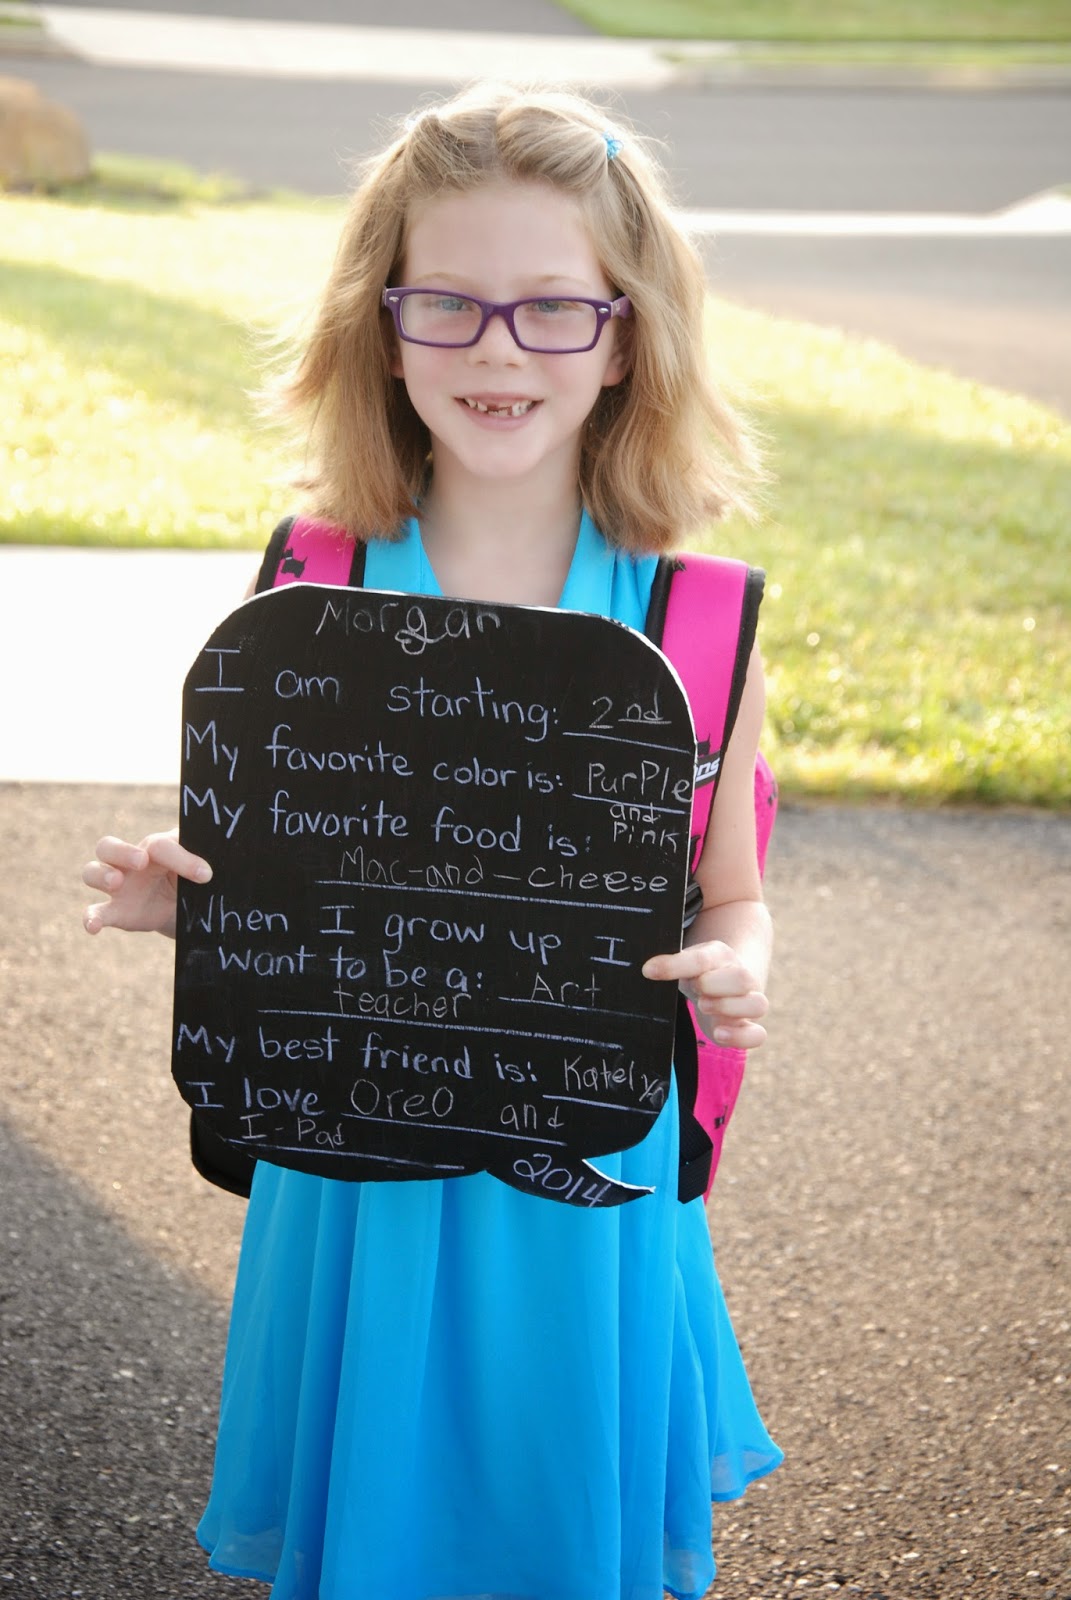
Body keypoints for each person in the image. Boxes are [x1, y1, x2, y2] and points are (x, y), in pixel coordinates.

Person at [82, 84, 781, 1600]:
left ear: (627, 332)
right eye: (447, 305)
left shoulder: (694, 617)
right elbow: (282, 877)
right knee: (375, 1514)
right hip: (356, 1159)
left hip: (577, 1152)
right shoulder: (311, 581)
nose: (497, 349)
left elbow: (731, 890)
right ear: (380, 326)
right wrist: (178, 903)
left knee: (551, 1497)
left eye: (551, 311)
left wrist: (731, 971)